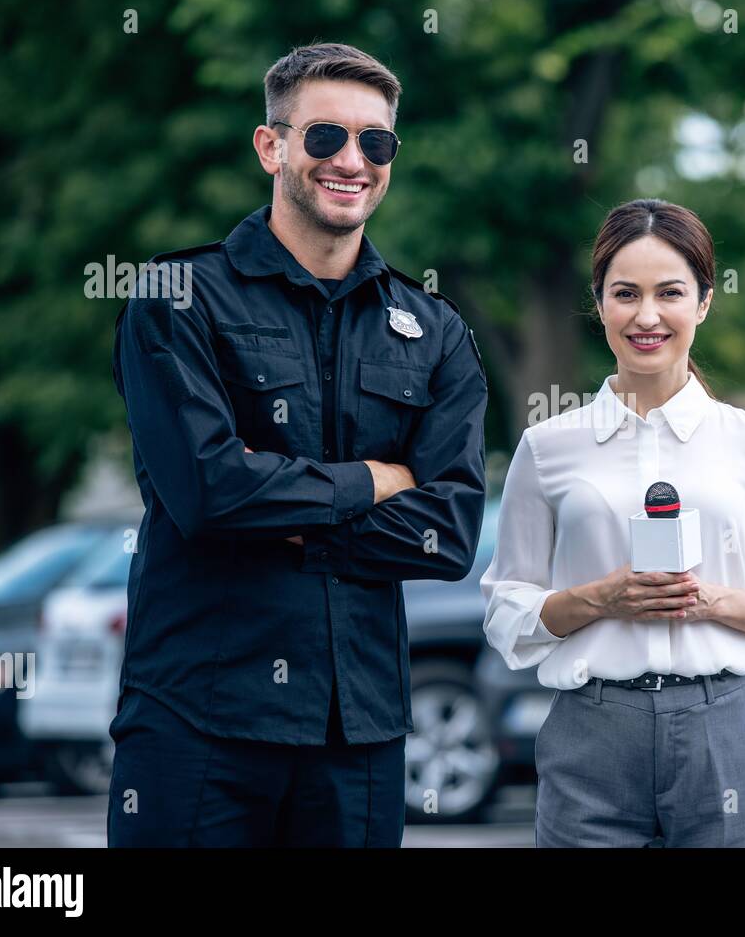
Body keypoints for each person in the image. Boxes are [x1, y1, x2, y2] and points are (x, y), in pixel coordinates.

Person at [107, 43, 488, 846]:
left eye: (375, 142)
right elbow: (210, 495)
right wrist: (373, 482)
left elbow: (449, 531)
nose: (352, 160)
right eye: (325, 137)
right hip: (197, 721)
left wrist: (279, 510)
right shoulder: (176, 300)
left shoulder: (437, 332)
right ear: (271, 146)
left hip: (360, 736)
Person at [481, 198, 745, 847]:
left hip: (719, 728)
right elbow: (507, 613)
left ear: (703, 302)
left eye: (669, 292)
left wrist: (712, 600)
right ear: (600, 304)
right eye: (625, 294)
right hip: (591, 732)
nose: (647, 315)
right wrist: (599, 598)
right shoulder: (548, 447)